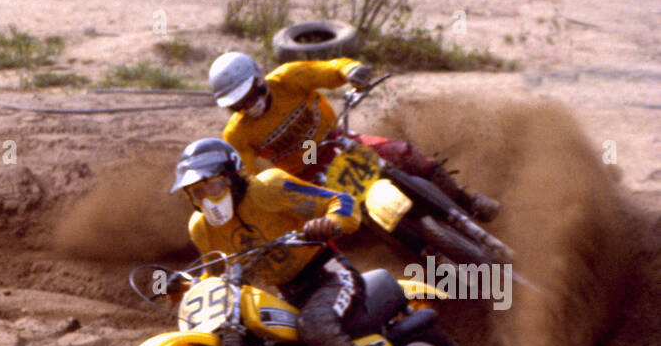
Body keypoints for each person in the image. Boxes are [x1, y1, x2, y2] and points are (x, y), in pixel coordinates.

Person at [170, 137, 401, 346]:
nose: (208, 198)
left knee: (317, 325)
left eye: (214, 186)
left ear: (234, 177)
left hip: (329, 275)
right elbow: (217, 273)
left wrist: (329, 223)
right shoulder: (202, 228)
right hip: (287, 294)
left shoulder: (268, 188)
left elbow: (342, 202)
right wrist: (190, 288)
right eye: (197, 192)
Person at [207, 51, 498, 222]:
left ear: (259, 79)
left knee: (407, 156)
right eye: (236, 103)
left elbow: (332, 69)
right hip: (305, 175)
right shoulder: (236, 133)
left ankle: (465, 200)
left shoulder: (288, 78)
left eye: (248, 95)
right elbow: (248, 177)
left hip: (339, 141)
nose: (247, 105)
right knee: (331, 228)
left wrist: (352, 71)